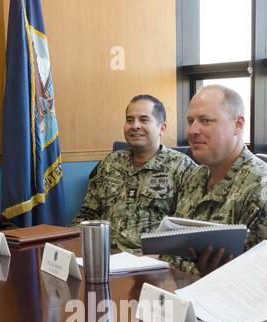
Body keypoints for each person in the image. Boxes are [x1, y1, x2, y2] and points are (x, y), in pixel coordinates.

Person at [173, 84, 267, 273]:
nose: (192, 131)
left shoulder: (263, 189)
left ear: (237, 125)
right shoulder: (195, 177)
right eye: (190, 121)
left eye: (205, 121)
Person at [73, 94, 195, 253]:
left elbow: (186, 229)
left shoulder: (183, 168)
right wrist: (69, 242)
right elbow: (88, 213)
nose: (135, 126)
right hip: (104, 254)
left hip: (150, 260)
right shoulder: (110, 163)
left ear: (162, 127)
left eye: (144, 120)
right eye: (129, 120)